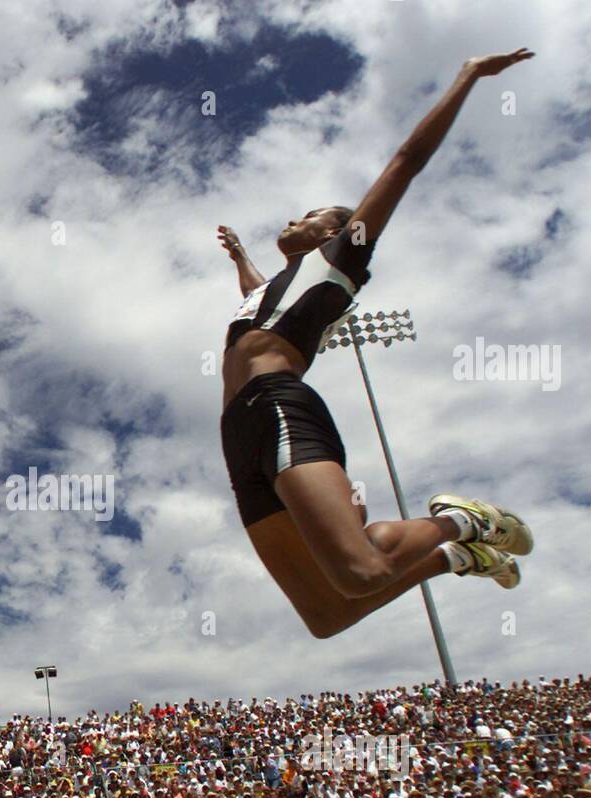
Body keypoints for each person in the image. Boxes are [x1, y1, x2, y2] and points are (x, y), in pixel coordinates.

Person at [216, 48, 536, 640]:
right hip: (238, 433)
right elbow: (256, 296)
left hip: (279, 404)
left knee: (363, 571)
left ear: (336, 231)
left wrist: (466, 75)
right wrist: (239, 256)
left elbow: (406, 161)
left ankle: (461, 523)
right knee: (328, 614)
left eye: (310, 214)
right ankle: (456, 559)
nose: (294, 217)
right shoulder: (281, 290)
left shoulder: (343, 255)